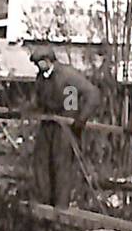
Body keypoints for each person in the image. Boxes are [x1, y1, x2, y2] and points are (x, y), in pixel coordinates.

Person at [29, 45, 101, 207]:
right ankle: (44, 204)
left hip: (65, 125)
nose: (37, 66)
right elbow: (38, 101)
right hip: (48, 123)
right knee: (41, 163)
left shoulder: (68, 76)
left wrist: (81, 118)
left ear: (48, 60)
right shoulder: (41, 77)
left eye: (39, 62)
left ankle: (61, 207)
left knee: (61, 164)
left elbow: (93, 94)